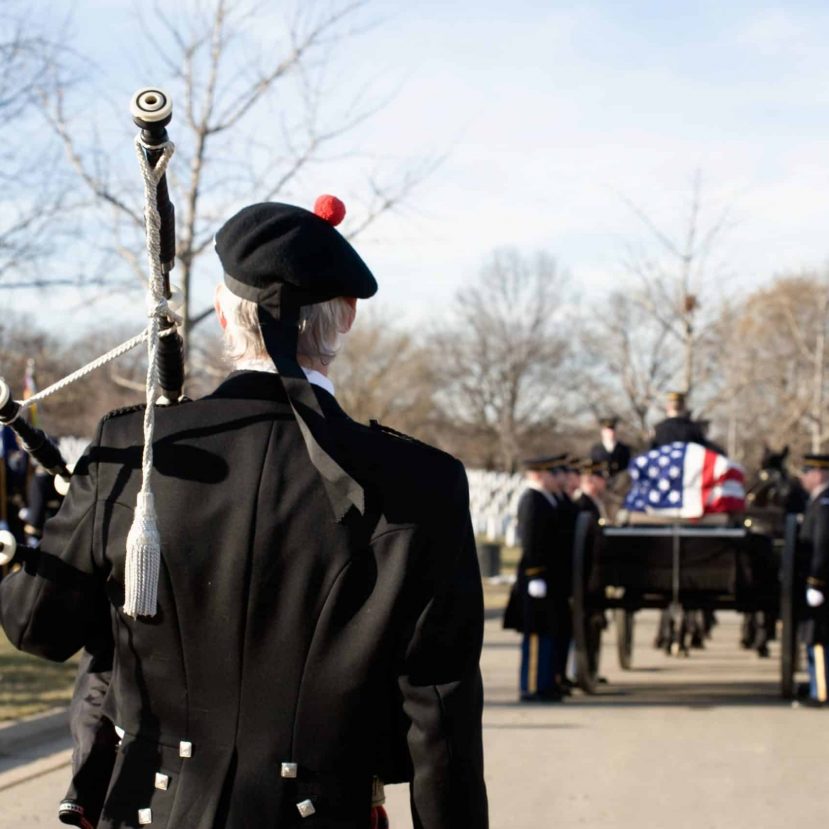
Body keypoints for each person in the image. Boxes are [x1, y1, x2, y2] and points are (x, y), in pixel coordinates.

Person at [0, 197, 488, 828]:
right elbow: (440, 712)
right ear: (346, 317)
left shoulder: (134, 448)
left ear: (225, 315)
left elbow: (38, 627)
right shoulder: (422, 481)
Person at [503, 454, 570, 702]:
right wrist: (535, 575)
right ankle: (531, 686)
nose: (557, 478)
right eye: (552, 474)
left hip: (547, 577)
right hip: (536, 578)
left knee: (547, 631)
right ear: (540, 475)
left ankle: (544, 683)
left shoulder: (544, 498)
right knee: (535, 634)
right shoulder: (532, 499)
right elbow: (531, 542)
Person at [798, 453, 829, 707]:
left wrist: (815, 582)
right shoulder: (818, 501)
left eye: (807, 472)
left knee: (818, 638)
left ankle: (821, 691)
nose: (803, 477)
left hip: (822, 585)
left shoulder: (825, 503)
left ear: (820, 474)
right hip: (817, 583)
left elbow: (823, 544)